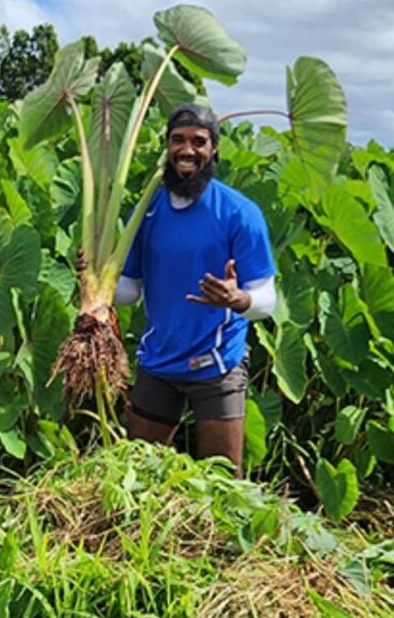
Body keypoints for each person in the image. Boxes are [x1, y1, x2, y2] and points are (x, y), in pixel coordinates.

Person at [112, 103, 277, 475]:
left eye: (199, 141)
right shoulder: (147, 210)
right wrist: (95, 282)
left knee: (222, 483)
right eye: (178, 140)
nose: (187, 150)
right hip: (159, 358)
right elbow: (129, 292)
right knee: (136, 478)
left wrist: (238, 299)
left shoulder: (239, 213)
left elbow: (267, 298)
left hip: (217, 362)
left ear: (214, 148)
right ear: (167, 146)